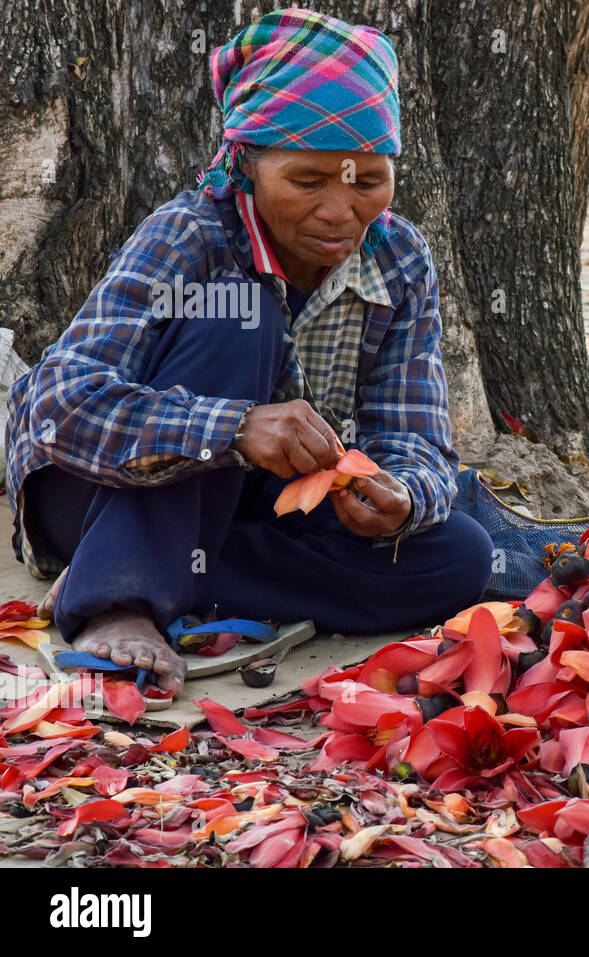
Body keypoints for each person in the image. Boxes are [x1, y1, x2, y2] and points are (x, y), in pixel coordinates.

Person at [4, 8, 494, 696]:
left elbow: (416, 436)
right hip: (102, 485)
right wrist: (233, 427)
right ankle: (118, 599)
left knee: (459, 557)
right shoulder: (192, 236)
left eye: (367, 180)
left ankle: (131, 568)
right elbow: (58, 404)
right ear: (248, 166)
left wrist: (403, 494)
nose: (340, 210)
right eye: (308, 181)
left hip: (238, 512)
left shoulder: (400, 258)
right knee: (244, 319)